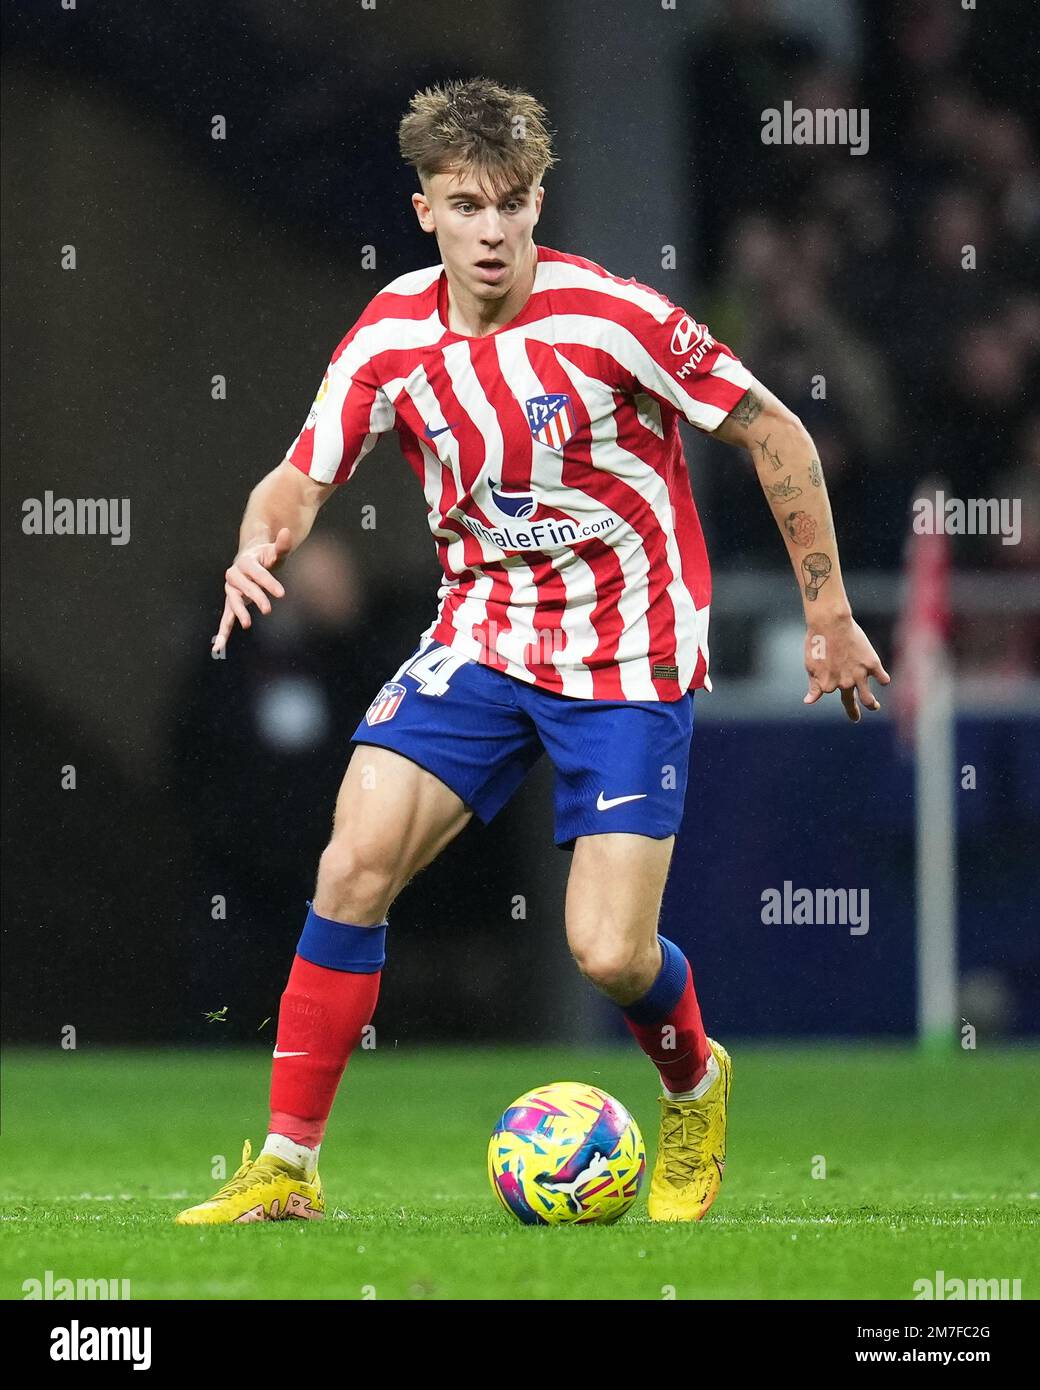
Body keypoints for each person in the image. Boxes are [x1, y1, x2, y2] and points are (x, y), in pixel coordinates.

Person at [176, 77, 889, 1227]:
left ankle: (692, 1081)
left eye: (511, 204)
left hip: (627, 649)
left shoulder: (614, 320)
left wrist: (827, 611)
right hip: (486, 638)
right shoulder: (391, 333)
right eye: (467, 206)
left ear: (538, 200)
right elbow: (299, 473)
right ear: (427, 214)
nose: (493, 230)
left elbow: (774, 428)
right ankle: (287, 1164)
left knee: (606, 952)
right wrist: (260, 537)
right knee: (351, 860)